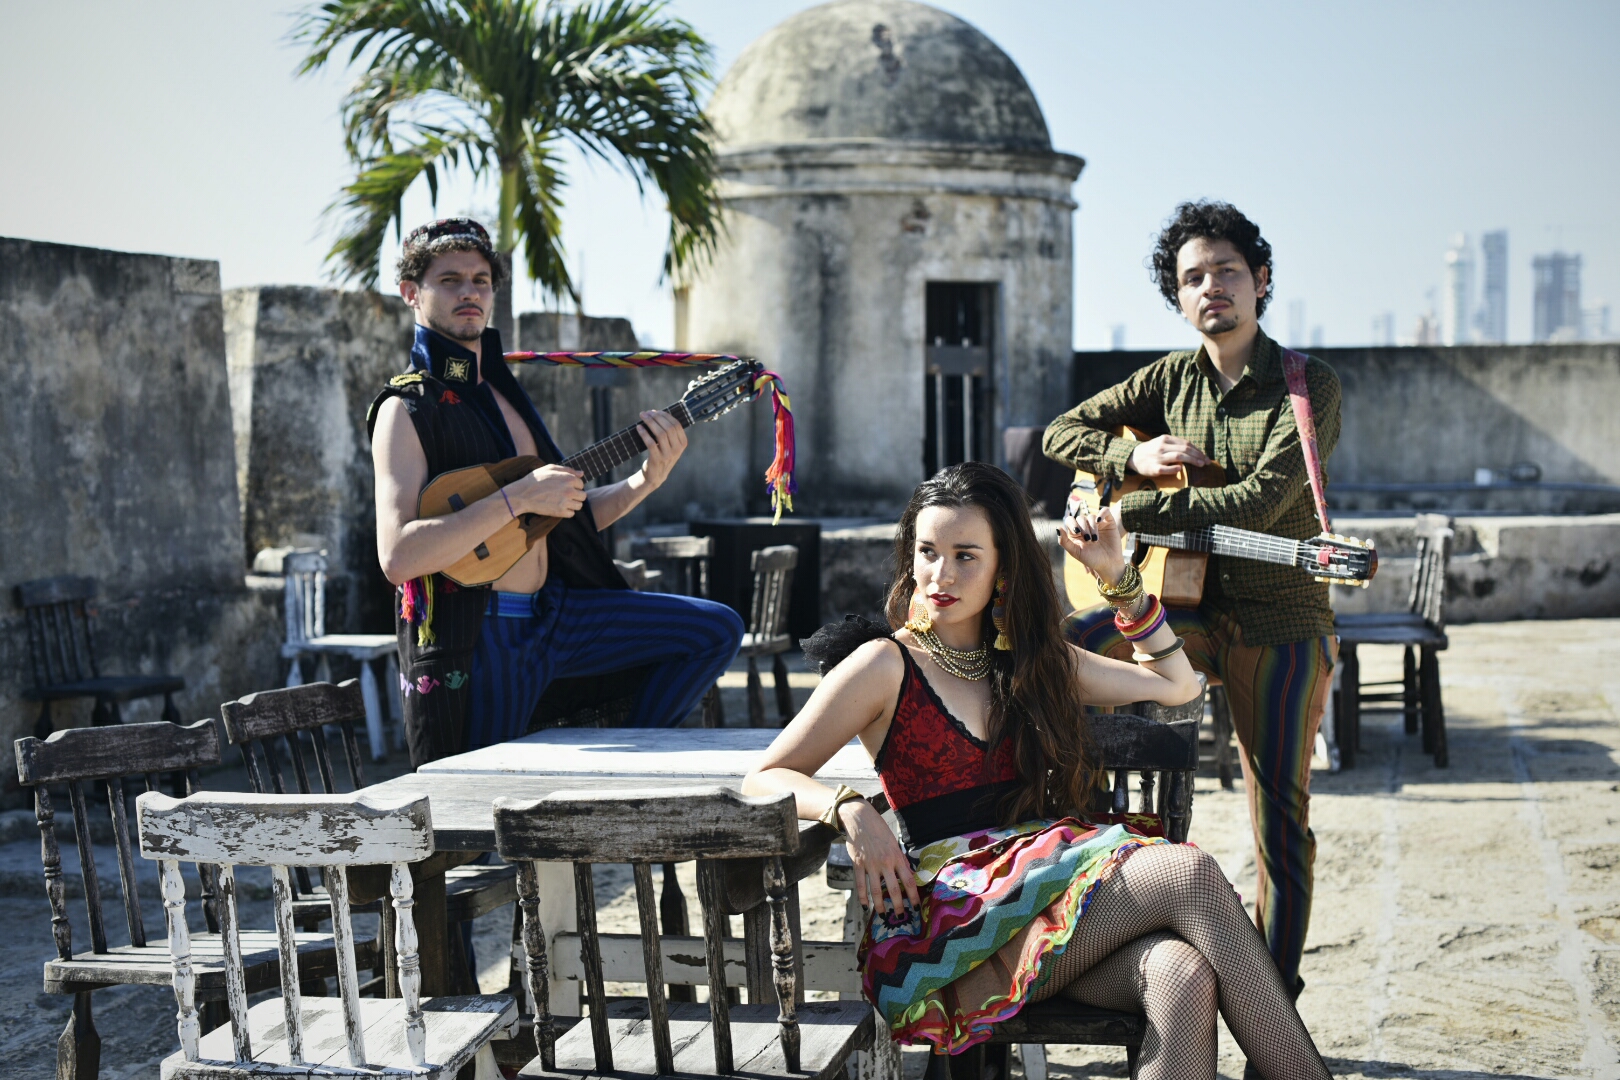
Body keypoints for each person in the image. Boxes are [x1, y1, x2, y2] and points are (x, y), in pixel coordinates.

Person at [742, 463, 1330, 1080]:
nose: (941, 575)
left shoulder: (1032, 661)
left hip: (1047, 905)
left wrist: (1117, 577)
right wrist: (850, 809)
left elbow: (1177, 684)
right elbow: (769, 773)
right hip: (954, 923)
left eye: (966, 556)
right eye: (928, 552)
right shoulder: (883, 665)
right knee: (1189, 873)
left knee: (1179, 973)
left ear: (1004, 566)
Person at [1043, 200, 1341, 1001]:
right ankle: (1093, 845)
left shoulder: (1308, 387)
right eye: (1194, 277)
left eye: (1228, 271)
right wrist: (1133, 457)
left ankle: (1272, 1002)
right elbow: (1061, 434)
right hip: (1188, 608)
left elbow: (1256, 503)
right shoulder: (1169, 380)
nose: (1212, 287)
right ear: (1178, 297)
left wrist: (1132, 512)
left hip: (1282, 622)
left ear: (1261, 280)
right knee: (1067, 648)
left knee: (1280, 822)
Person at [368, 217, 743, 769]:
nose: (469, 292)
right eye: (449, 280)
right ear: (410, 293)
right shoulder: (406, 410)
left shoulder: (505, 396)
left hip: (557, 615)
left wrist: (645, 480)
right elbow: (398, 555)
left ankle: (621, 769)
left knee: (713, 630)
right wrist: (517, 498)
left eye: (480, 280)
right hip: (486, 634)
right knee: (488, 797)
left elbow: (559, 517)